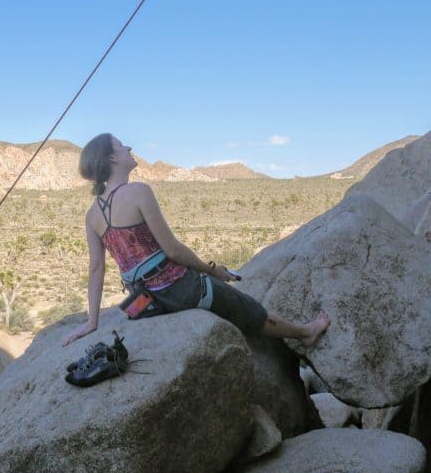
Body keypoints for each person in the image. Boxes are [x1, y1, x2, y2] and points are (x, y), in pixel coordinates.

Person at [62, 133, 330, 347]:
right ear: (111, 158)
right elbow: (174, 251)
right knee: (247, 308)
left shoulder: (92, 215)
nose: (129, 148)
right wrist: (214, 270)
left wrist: (92, 321)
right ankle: (305, 332)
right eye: (121, 146)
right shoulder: (138, 192)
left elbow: (96, 270)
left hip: (142, 300)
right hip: (177, 288)